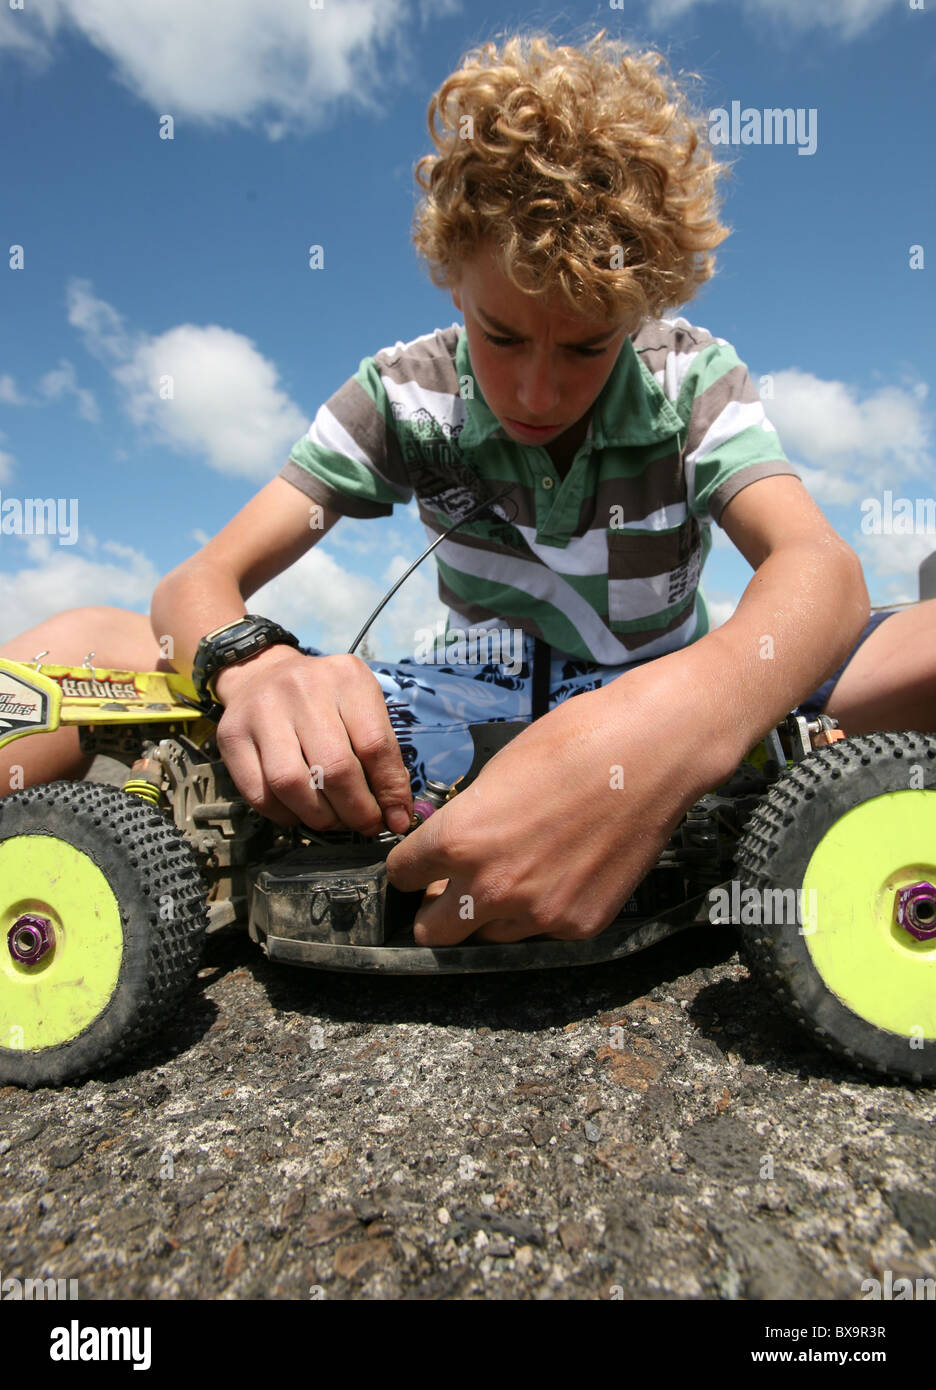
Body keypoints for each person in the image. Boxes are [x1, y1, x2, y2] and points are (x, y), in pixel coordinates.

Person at [2, 30, 934, 947]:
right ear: (454, 280)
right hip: (455, 699)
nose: (536, 391)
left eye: (584, 346)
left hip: (669, 688)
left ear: (640, 310)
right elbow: (192, 587)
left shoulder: (693, 381)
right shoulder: (403, 393)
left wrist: (668, 734)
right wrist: (259, 668)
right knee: (76, 648)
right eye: (501, 334)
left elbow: (819, 569)